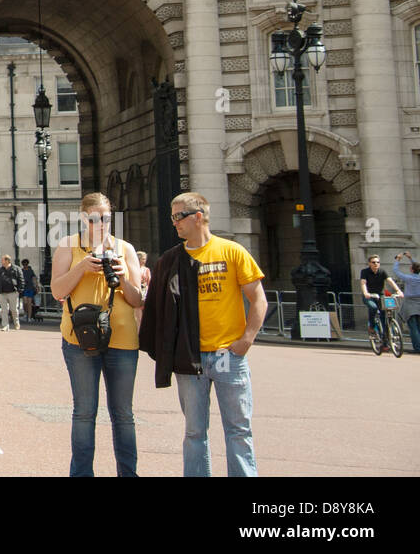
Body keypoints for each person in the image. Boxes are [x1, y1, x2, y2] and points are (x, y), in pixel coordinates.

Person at [139, 191, 267, 478]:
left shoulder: (232, 251)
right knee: (195, 431)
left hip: (228, 355)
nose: (174, 223)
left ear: (198, 217)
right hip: (189, 357)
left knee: (238, 429)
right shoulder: (171, 259)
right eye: (172, 217)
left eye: (178, 217)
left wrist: (246, 340)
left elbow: (259, 299)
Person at [50, 192, 145, 477]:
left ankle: (128, 474)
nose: (100, 224)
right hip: (80, 339)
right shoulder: (68, 246)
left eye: (105, 218)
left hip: (122, 338)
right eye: (93, 219)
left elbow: (137, 299)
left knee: (123, 415)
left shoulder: (124, 249)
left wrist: (123, 275)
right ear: (83, 218)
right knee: (84, 412)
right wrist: (82, 267)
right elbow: (57, 291)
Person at [359, 255, 402, 348]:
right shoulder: (365, 272)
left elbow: (390, 281)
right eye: (373, 262)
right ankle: (372, 327)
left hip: (380, 295)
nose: (376, 264)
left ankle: (385, 342)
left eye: (378, 262)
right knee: (373, 308)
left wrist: (398, 291)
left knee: (385, 316)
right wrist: (365, 292)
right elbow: (363, 283)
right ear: (369, 264)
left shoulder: (382, 271)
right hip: (369, 296)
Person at [392, 252, 420, 353]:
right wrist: (410, 258)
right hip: (419, 302)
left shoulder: (409, 278)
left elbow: (396, 271)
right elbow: (419, 268)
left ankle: (418, 348)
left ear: (412, 270)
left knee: (413, 326)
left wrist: (398, 259)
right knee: (419, 325)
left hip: (410, 303)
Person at [0, 254, 24, 330]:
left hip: (13, 292)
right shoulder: (0, 270)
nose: (1, 261)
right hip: (2, 292)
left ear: (7, 261)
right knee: (4, 310)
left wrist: (20, 290)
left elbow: (21, 279)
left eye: (3, 260)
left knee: (13, 310)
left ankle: (16, 322)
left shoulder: (16, 269)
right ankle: (5, 325)